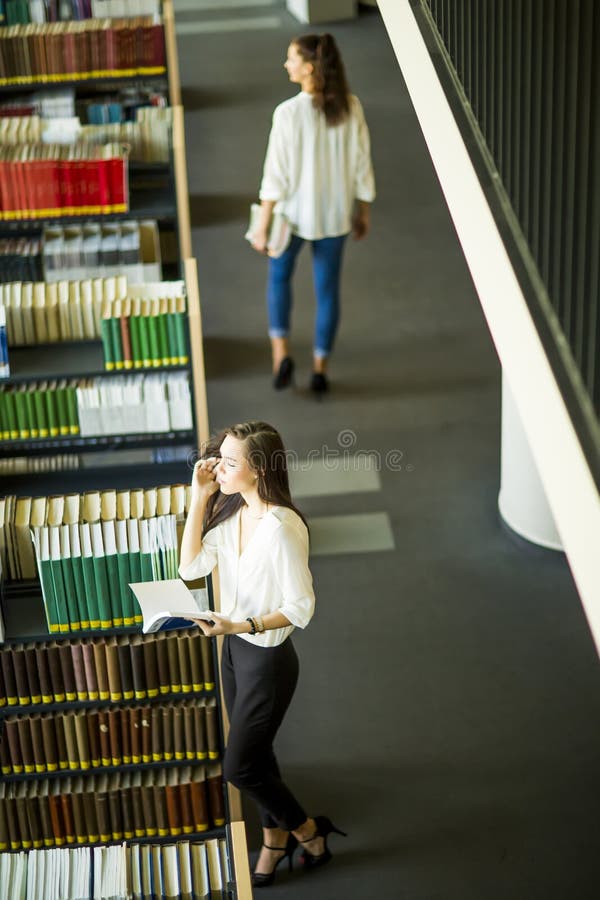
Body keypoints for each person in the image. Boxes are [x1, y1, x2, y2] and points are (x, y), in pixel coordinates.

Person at [178, 421, 346, 887]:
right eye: (221, 458)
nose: (220, 468)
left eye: (231, 462)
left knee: (238, 767)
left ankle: (308, 832)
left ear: (258, 469)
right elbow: (190, 566)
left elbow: (300, 608)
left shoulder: (282, 528)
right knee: (257, 756)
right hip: (233, 652)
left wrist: (239, 624)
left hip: (267, 662)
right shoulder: (232, 515)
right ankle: (275, 839)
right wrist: (200, 497)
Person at [251, 33, 376, 396]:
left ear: (308, 68)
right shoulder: (351, 107)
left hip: (292, 218)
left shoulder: (288, 113)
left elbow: (276, 175)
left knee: (279, 279)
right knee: (328, 292)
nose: (285, 64)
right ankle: (320, 368)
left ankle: (281, 356)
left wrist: (262, 226)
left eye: (290, 59)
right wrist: (363, 210)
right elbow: (361, 164)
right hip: (335, 217)